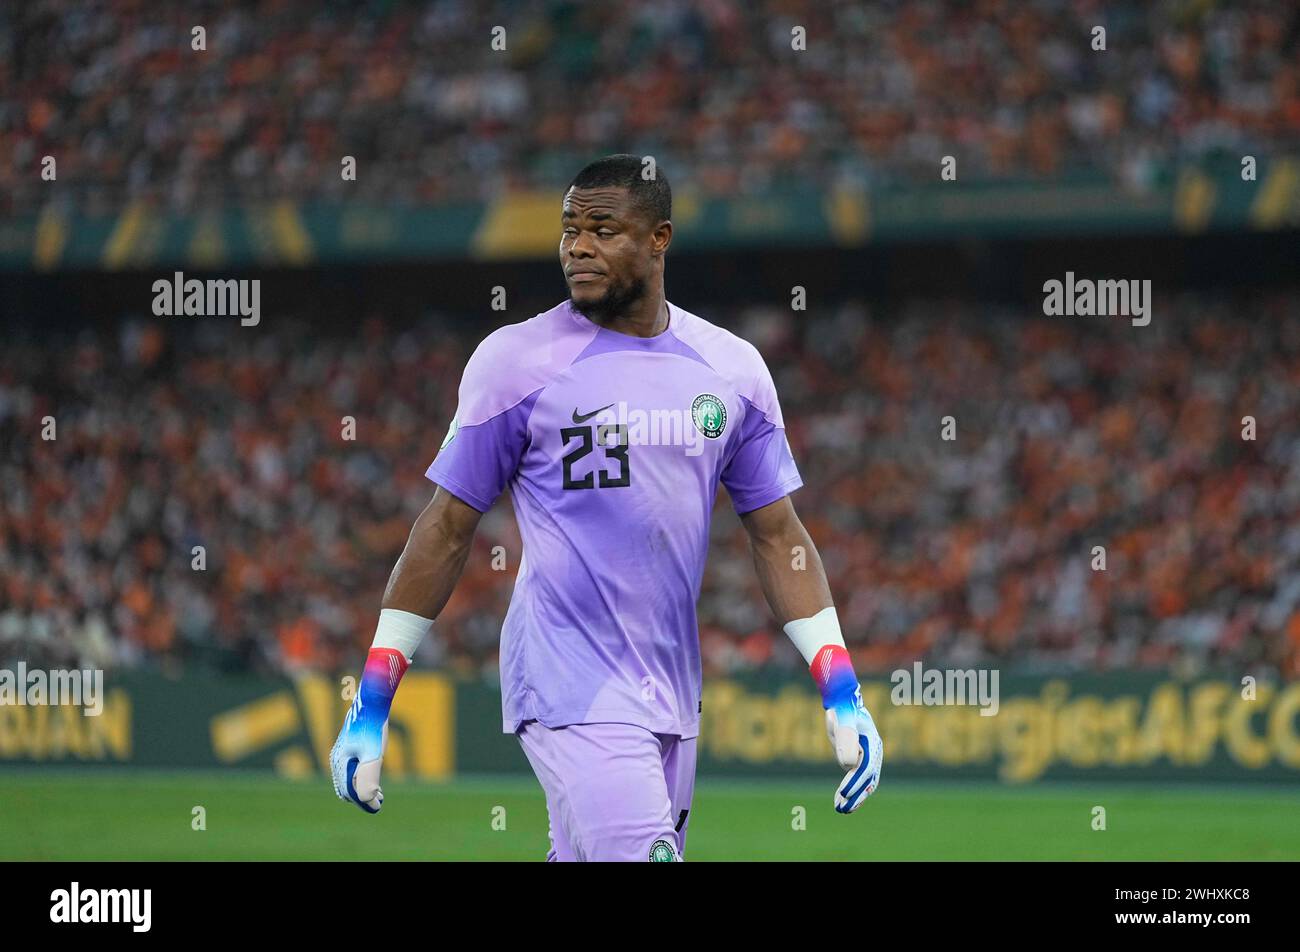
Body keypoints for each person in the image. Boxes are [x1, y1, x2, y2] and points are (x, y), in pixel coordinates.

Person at [329, 154, 883, 861]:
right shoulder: (514, 363)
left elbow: (779, 537)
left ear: (659, 239)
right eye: (569, 230)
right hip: (568, 680)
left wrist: (841, 691)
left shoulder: (733, 371)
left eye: (602, 229)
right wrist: (373, 700)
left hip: (673, 690)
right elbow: (443, 530)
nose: (578, 247)